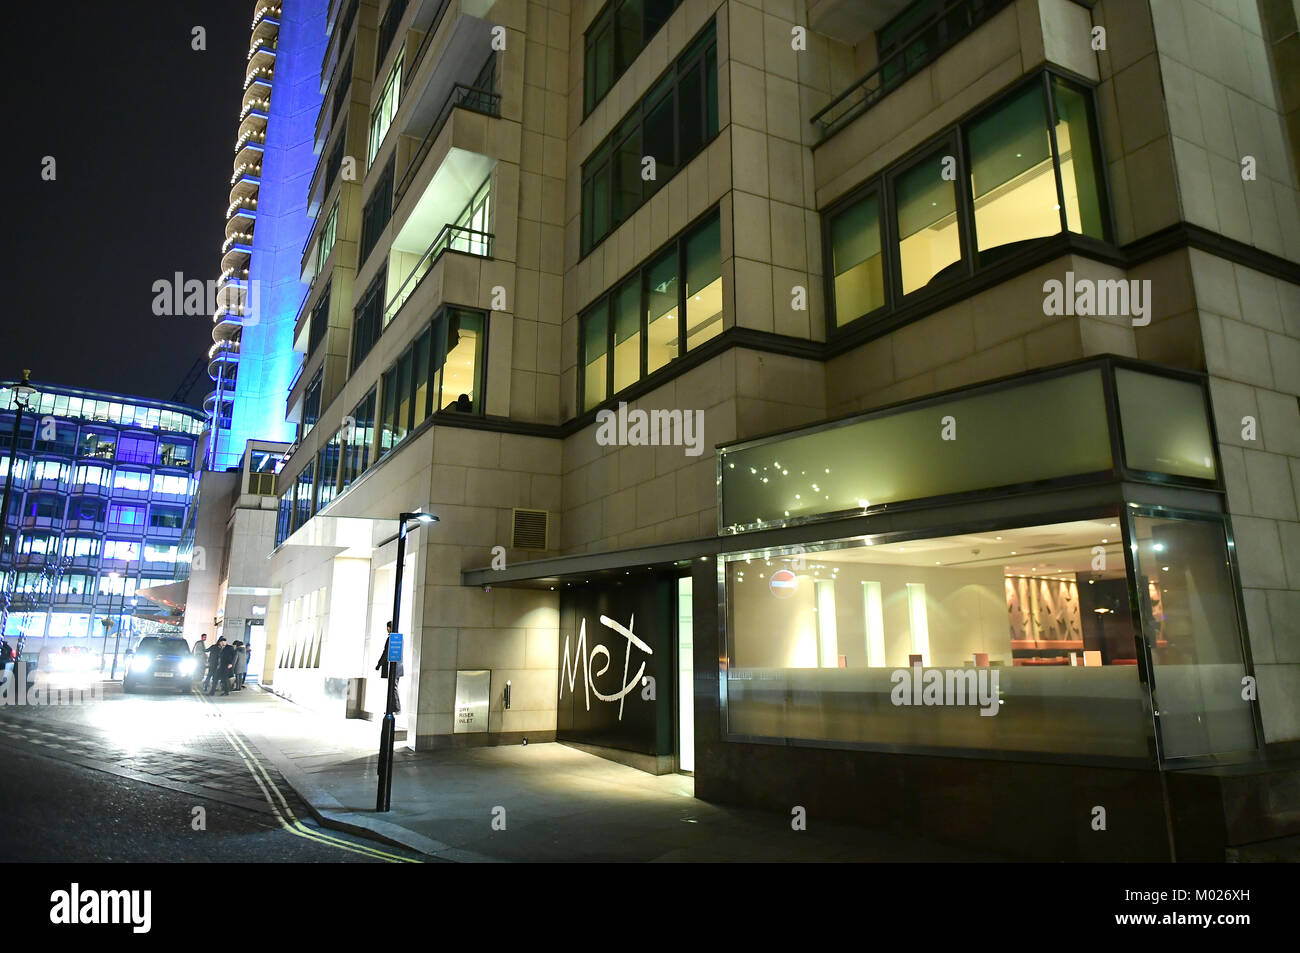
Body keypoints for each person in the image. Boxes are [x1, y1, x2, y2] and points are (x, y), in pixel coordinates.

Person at [374, 621, 402, 713]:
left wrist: (379, 664)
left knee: (392, 687)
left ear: (389, 628)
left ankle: (396, 708)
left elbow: (385, 653)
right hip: (397, 668)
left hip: (392, 668)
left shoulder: (391, 639)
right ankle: (393, 708)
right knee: (393, 687)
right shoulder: (399, 638)